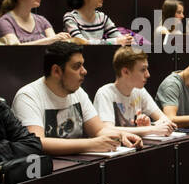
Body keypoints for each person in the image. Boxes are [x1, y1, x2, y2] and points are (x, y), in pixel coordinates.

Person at [11, 41, 139, 155]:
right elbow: (38, 142)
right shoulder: (28, 96)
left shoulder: (77, 92)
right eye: (77, 66)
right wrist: (92, 144)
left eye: (82, 65)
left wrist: (121, 135)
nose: (84, 71)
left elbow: (99, 130)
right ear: (56, 71)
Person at [94, 47, 176, 136]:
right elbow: (107, 129)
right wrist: (150, 129)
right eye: (143, 70)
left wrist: (149, 126)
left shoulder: (139, 91)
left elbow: (164, 120)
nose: (148, 75)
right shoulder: (105, 93)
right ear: (125, 72)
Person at [63, 0, 132, 44]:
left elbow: (119, 37)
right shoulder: (71, 18)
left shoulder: (102, 17)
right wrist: (114, 41)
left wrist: (127, 39)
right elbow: (82, 42)